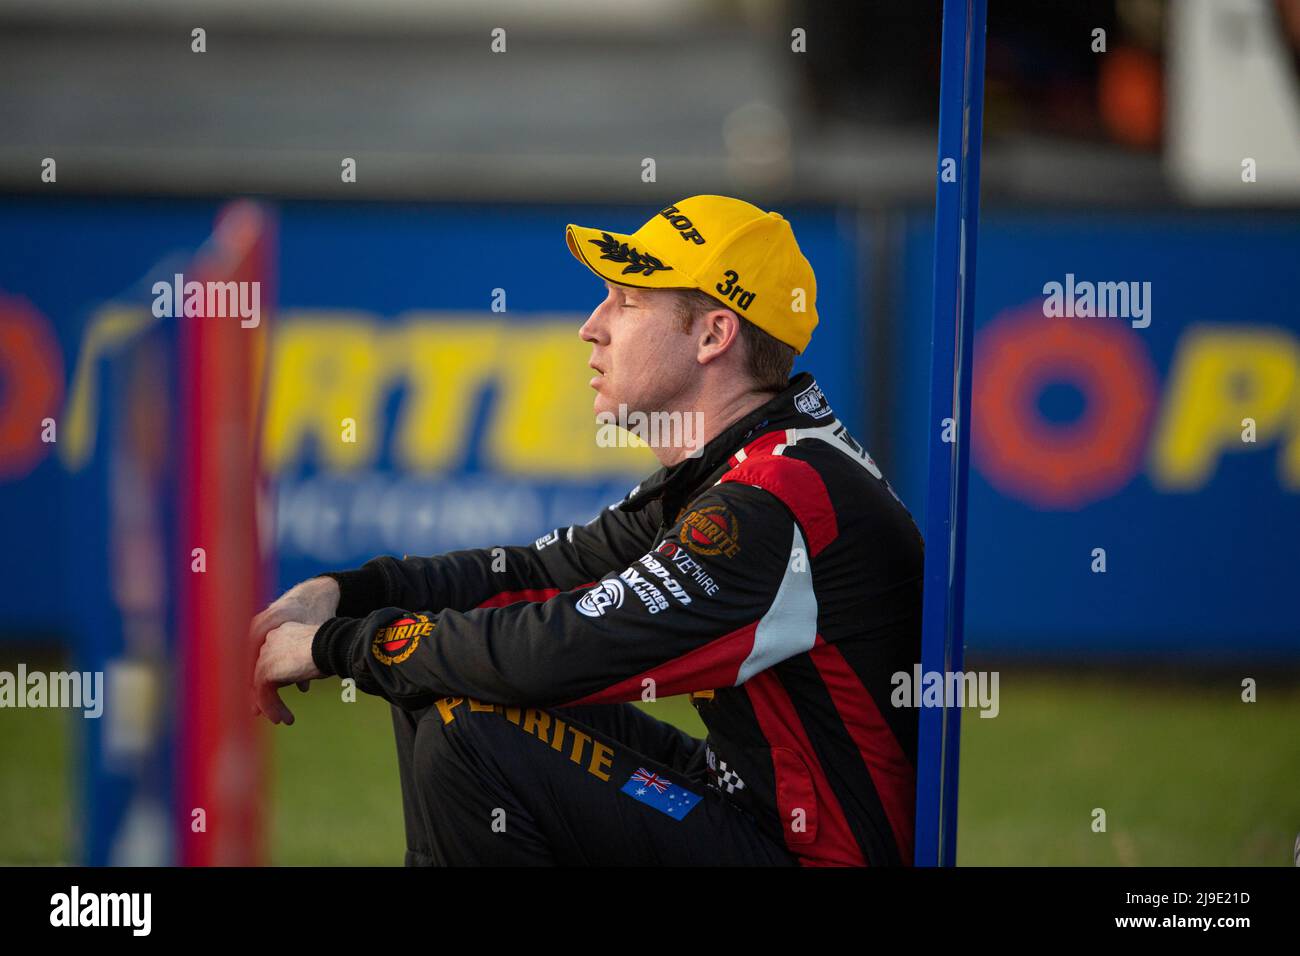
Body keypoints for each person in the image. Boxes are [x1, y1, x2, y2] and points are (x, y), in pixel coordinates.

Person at [250, 194, 924, 866]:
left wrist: (338, 646)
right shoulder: (755, 463)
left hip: (807, 853)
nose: (591, 327)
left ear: (714, 336)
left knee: (469, 727)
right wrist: (347, 591)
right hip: (753, 812)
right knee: (448, 677)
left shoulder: (768, 500)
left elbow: (558, 650)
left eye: (627, 302)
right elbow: (536, 577)